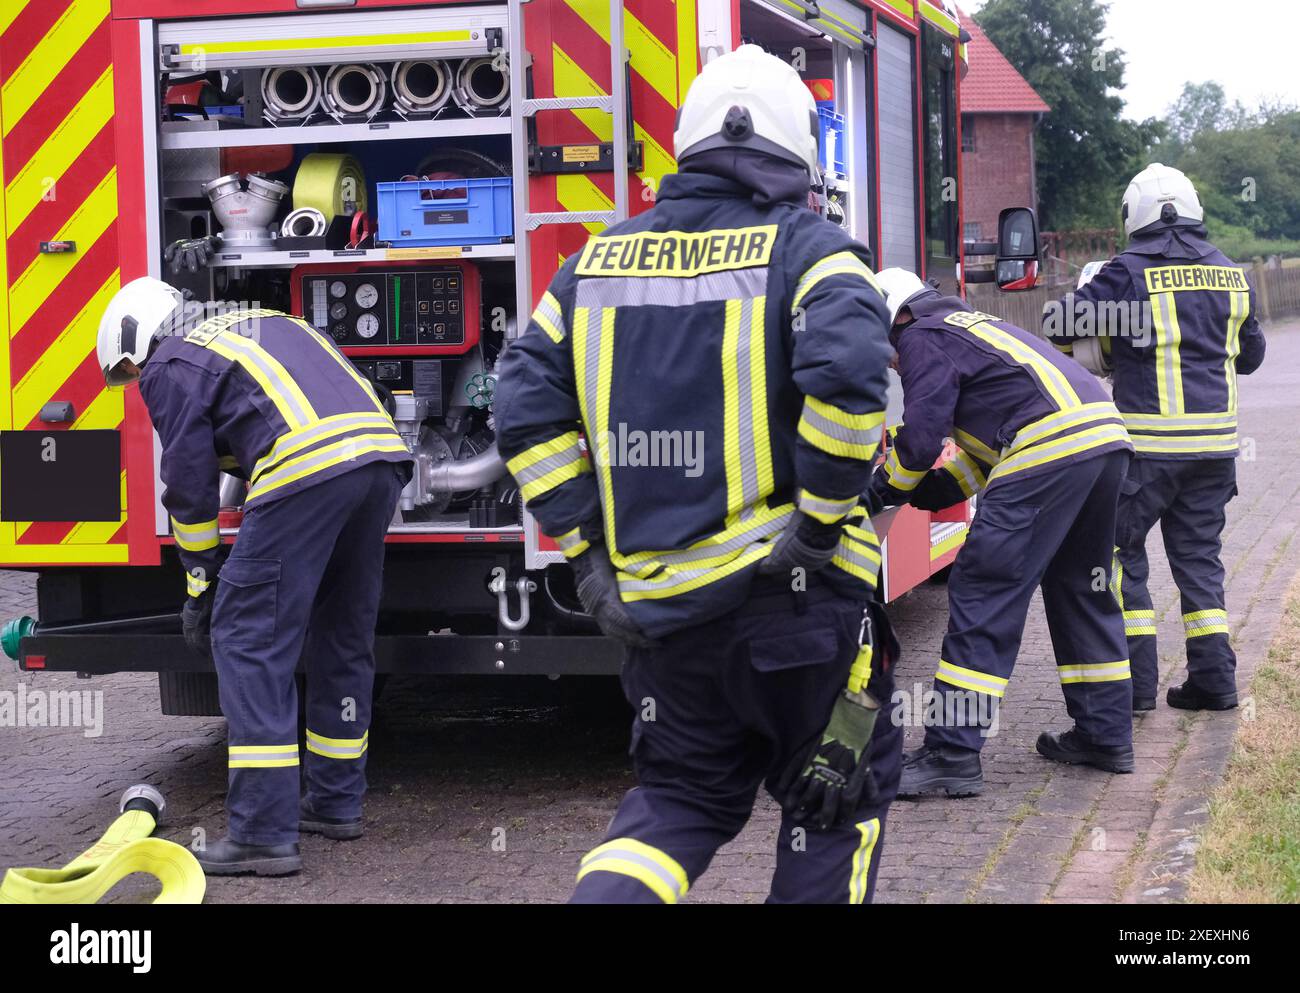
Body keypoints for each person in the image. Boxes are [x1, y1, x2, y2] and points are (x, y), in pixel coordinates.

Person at [495, 45, 900, 903]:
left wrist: (586, 555)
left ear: (686, 146)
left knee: (673, 805)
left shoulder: (589, 268)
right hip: (796, 612)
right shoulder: (813, 251)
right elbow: (854, 377)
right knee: (833, 800)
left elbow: (522, 407)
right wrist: (819, 525)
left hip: (662, 621)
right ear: (797, 153)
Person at [96, 279, 412, 875]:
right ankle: (336, 803)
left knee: (247, 642)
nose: (139, 383)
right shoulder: (269, 323)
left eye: (130, 372)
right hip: (378, 465)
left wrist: (200, 583)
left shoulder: (172, 359)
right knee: (341, 636)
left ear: (137, 341)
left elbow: (188, 487)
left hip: (305, 474)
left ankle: (263, 834)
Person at [868, 269, 1136, 799]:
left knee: (983, 590)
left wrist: (880, 491)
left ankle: (951, 753)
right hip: (1102, 443)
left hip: (1051, 449)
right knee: (1083, 591)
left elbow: (920, 441)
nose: (892, 361)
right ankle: (1105, 736)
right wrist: (936, 490)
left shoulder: (922, 335)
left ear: (892, 315)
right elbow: (991, 441)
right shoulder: (969, 324)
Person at [1045, 164, 1266, 711]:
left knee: (1121, 560)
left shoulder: (1128, 272)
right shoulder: (1234, 275)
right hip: (1215, 453)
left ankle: (1137, 688)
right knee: (1199, 563)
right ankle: (1214, 682)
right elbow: (1254, 356)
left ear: (1134, 216)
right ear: (1193, 211)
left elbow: (1059, 325)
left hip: (1147, 453)